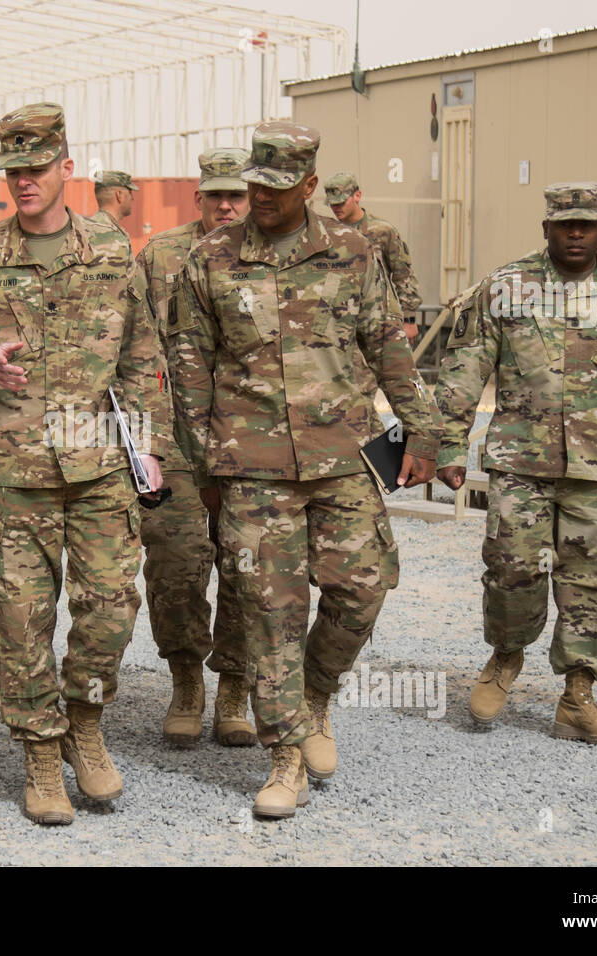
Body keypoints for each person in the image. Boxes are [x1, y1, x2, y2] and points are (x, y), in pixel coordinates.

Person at [172, 121, 442, 819]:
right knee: (269, 615)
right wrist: (203, 461)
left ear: (310, 187)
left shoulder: (353, 252)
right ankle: (285, 754)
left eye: (277, 187)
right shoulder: (210, 259)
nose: (261, 197)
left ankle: (317, 691)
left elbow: (387, 345)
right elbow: (190, 364)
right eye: (255, 185)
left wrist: (425, 431)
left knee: (364, 587)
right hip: (251, 466)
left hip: (343, 455)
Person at [0, 103, 168, 825]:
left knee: (109, 610)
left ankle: (85, 723)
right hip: (7, 472)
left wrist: (147, 444)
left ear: (67, 168)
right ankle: (38, 751)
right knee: (20, 621)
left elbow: (142, 352)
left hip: (97, 468)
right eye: (12, 171)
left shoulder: (110, 248)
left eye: (35, 169)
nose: (23, 182)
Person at [433, 182, 597, 745]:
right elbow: (462, 368)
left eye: (587, 224)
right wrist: (448, 445)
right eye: (565, 224)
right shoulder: (506, 290)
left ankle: (578, 698)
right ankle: (505, 657)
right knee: (510, 569)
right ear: (546, 228)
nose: (576, 233)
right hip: (519, 463)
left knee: (590, 583)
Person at [134, 148, 255, 747]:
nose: (227, 206)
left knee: (246, 564)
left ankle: (233, 682)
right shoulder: (160, 256)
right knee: (176, 564)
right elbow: (133, 343)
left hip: (251, 441)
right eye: (216, 196)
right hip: (177, 437)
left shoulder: (268, 255)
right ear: (199, 199)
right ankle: (186, 677)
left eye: (237, 195)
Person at [325, 172, 423, 344]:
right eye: (332, 204)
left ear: (357, 195)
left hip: (378, 321)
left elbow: (403, 274)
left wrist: (409, 319)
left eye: (341, 202)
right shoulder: (328, 234)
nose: (336, 208)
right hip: (340, 323)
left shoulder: (382, 231)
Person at [92, 169, 137, 236]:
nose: (132, 198)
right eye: (130, 192)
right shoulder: (111, 233)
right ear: (119, 195)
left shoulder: (87, 227)